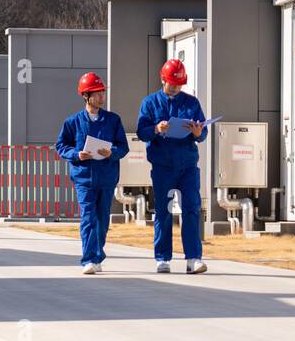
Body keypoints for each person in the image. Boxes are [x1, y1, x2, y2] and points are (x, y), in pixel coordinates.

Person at [137, 59, 209, 274]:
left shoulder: (191, 102)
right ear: (163, 79)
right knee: (163, 211)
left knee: (191, 209)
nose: (176, 88)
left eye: (179, 84)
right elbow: (142, 132)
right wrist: (157, 129)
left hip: (187, 165)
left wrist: (198, 133)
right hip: (162, 166)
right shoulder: (149, 103)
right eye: (172, 84)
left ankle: (193, 258)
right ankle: (163, 258)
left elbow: (203, 132)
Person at [54, 72, 129, 274]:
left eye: (102, 92)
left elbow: (123, 147)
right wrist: (77, 154)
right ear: (86, 95)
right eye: (97, 93)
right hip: (84, 179)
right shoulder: (73, 122)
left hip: (106, 178)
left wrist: (111, 152)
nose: (101, 97)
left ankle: (97, 255)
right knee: (88, 218)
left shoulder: (113, 120)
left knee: (102, 219)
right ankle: (88, 259)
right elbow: (60, 145)